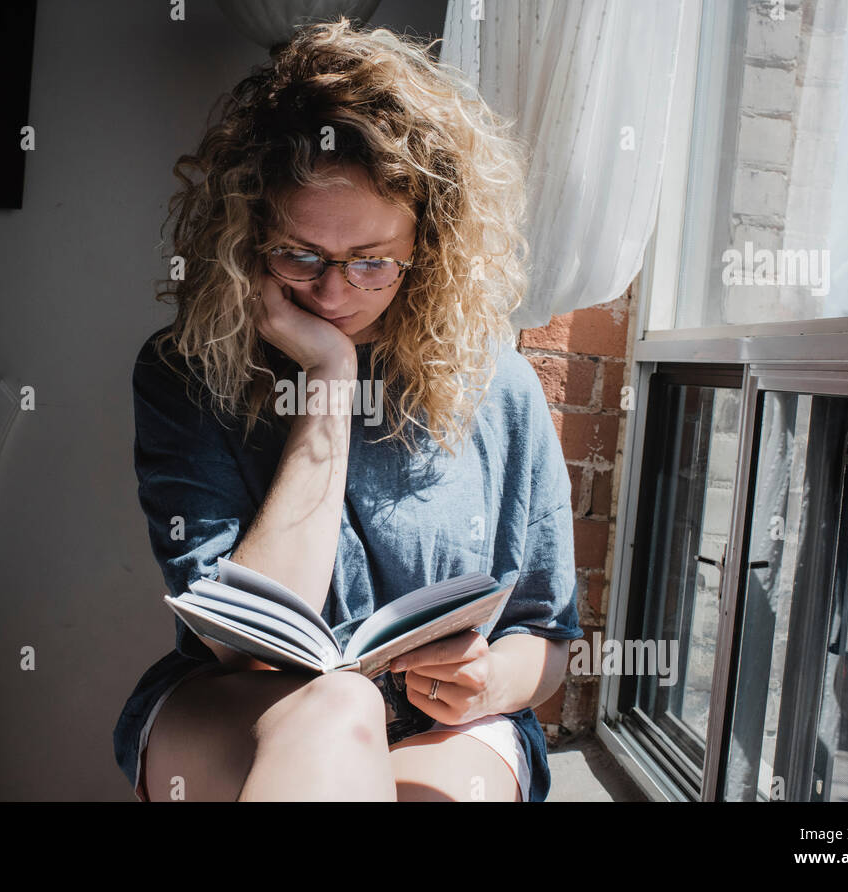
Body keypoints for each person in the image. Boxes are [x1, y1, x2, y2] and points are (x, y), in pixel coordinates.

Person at [113, 17, 582, 802]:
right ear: (248, 234)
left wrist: (487, 677)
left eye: (372, 262)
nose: (332, 294)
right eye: (299, 254)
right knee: (337, 710)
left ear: (425, 249)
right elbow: (239, 643)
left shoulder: (498, 384)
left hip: (448, 726)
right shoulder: (185, 372)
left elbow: (549, 636)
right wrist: (328, 379)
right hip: (243, 706)